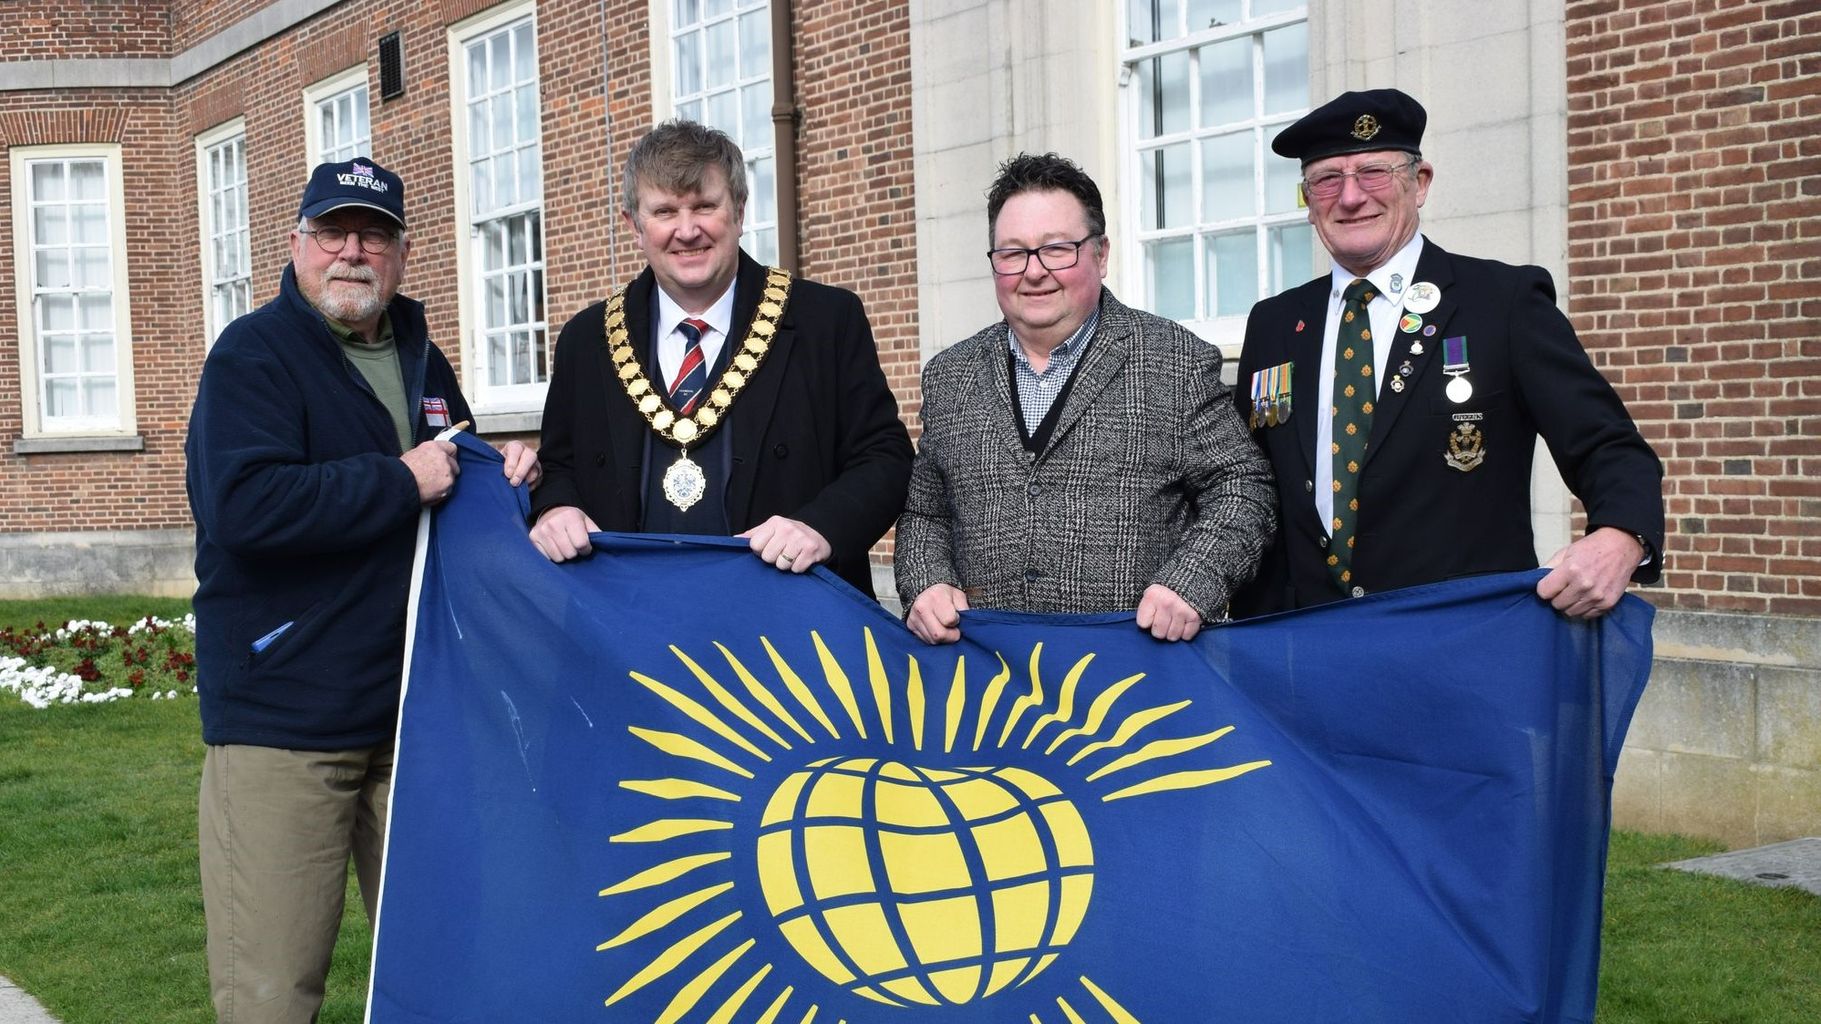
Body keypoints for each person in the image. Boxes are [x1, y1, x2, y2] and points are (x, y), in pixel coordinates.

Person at [185, 157, 538, 1023]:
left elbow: (448, 479)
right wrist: (398, 481)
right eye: (332, 231)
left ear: (402, 253)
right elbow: (243, 506)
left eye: (373, 234)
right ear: (297, 243)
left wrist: (507, 475)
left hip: (413, 723)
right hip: (284, 725)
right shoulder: (253, 355)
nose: (352, 251)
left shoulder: (419, 357)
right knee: (271, 994)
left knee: (440, 978)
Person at [1232, 89, 1663, 619]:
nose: (1349, 197)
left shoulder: (1503, 303)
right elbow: (1242, 482)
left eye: (1373, 172)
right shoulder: (1275, 324)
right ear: (1307, 199)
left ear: (1420, 183)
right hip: (1301, 647)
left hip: (1459, 644)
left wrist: (1619, 538)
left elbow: (1608, 445)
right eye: (1326, 180)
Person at [896, 153, 1276, 644]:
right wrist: (926, 581)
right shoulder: (951, 376)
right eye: (1012, 253)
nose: (1033, 272)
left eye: (1057, 249)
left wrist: (1191, 583)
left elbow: (1243, 486)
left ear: (1101, 253)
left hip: (1137, 674)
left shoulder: (1173, 360)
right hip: (991, 676)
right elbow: (926, 512)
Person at [529, 120, 912, 596]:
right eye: (665, 211)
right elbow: (557, 467)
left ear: (739, 210)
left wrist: (820, 527)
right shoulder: (585, 340)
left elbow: (886, 459)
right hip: (630, 623)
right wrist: (555, 508)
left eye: (705, 206)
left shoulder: (825, 321)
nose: (687, 231)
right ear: (633, 224)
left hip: (787, 622)